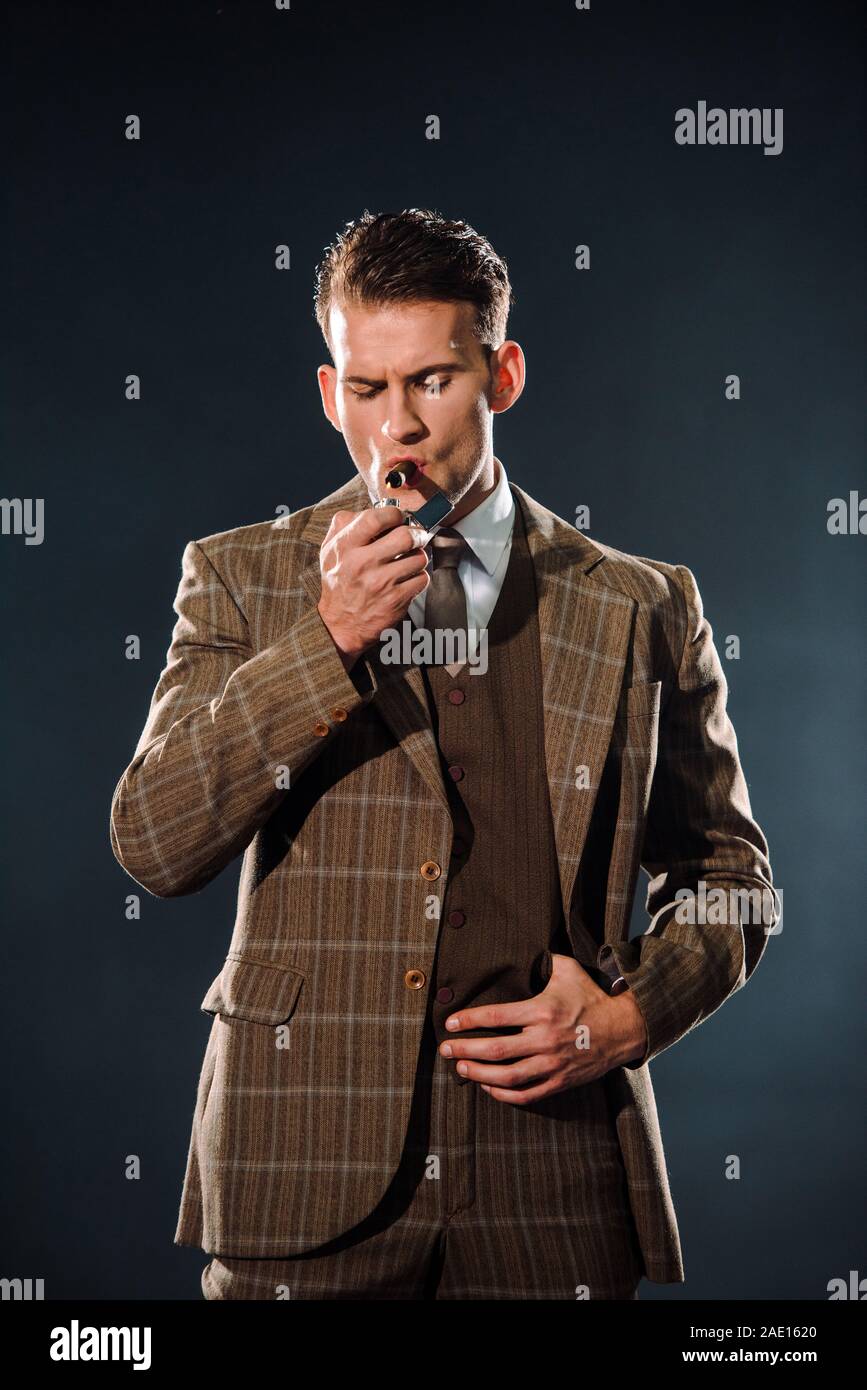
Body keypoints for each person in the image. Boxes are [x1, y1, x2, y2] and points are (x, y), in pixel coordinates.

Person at [109, 207, 777, 1300]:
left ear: (501, 374)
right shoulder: (240, 577)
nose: (398, 430)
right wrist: (323, 643)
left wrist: (627, 1016)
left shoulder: (645, 602)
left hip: (553, 1173)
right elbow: (153, 840)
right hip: (301, 1158)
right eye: (366, 391)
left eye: (432, 381)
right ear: (330, 392)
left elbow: (735, 885)